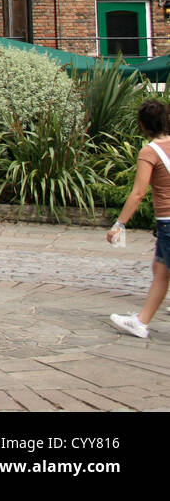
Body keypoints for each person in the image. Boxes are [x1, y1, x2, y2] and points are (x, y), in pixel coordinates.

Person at [109, 100, 170, 338]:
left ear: (143, 125)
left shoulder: (149, 152)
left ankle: (141, 322)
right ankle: (141, 322)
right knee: (160, 270)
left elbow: (138, 193)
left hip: (167, 221)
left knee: (162, 270)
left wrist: (119, 224)